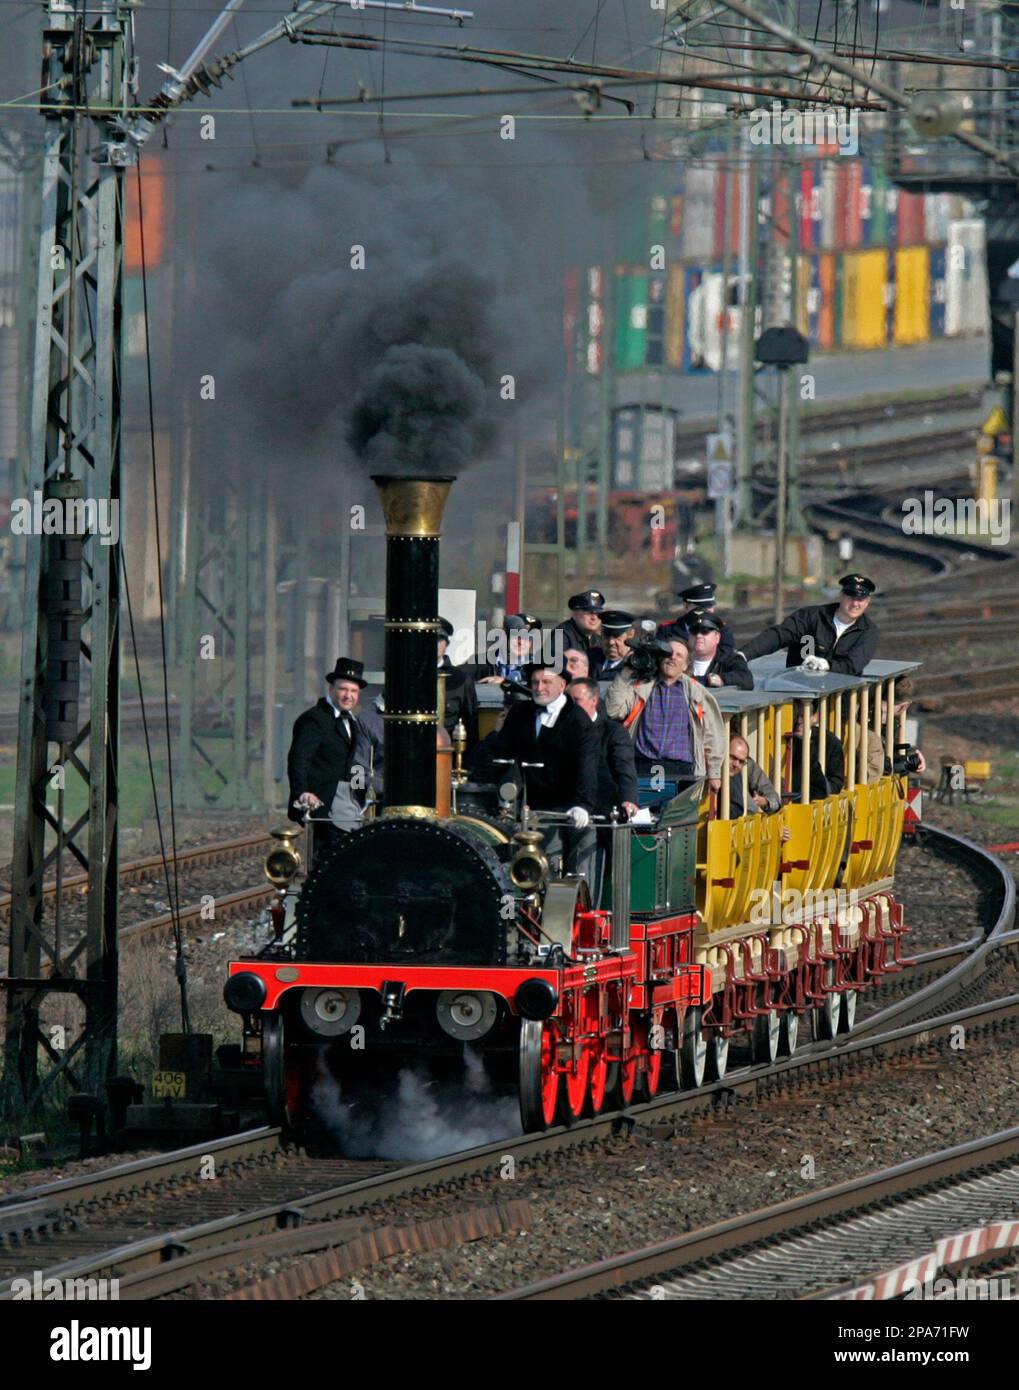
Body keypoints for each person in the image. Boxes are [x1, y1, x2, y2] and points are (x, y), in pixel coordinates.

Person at [486, 662, 598, 878]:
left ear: (562, 685)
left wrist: (582, 805)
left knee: (553, 864)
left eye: (546, 682)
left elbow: (587, 765)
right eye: (535, 682)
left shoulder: (578, 721)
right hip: (530, 802)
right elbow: (503, 752)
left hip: (564, 804)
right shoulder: (520, 712)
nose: (539, 688)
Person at [605, 636, 725, 808]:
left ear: (686, 665)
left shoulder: (697, 693)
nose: (672, 658)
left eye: (679, 655)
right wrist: (625, 671)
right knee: (641, 820)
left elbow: (712, 734)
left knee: (676, 823)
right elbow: (613, 710)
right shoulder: (640, 687)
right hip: (642, 766)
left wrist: (714, 773)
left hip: (681, 769)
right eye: (668, 653)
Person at [287, 657, 384, 842]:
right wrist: (302, 793)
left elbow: (355, 763)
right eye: (343, 689)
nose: (348, 695)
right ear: (331, 689)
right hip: (323, 802)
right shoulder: (314, 719)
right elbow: (299, 760)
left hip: (348, 803)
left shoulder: (352, 722)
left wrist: (361, 792)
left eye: (354, 691)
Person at [740, 574, 878, 675]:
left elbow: (853, 665)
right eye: (851, 597)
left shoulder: (868, 631)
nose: (855, 604)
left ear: (867, 601)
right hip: (799, 691)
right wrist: (744, 654)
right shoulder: (811, 617)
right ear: (841, 595)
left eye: (861, 599)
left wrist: (827, 665)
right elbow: (779, 635)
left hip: (839, 702)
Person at [567, 677, 638, 818]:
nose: (571, 706)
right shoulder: (560, 729)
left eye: (577, 700)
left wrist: (628, 799)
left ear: (594, 701)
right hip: (567, 808)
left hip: (602, 810)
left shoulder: (613, 731)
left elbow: (624, 767)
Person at [438, 617, 479, 750]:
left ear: (447, 644)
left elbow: (471, 724)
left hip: (449, 756)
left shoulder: (460, 679)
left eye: (439, 639)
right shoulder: (408, 675)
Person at [660, 582, 735, 652]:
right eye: (700, 607)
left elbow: (725, 658)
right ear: (686, 606)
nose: (705, 612)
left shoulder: (723, 631)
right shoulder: (667, 631)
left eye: (709, 606)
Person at [789, 706, 845, 800]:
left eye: (803, 716)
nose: (798, 721)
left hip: (816, 801)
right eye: (796, 716)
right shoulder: (785, 739)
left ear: (815, 717)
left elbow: (836, 783)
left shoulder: (830, 742)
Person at [687, 614, 753, 690]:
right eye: (694, 631)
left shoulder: (730, 659)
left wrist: (721, 679)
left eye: (704, 631)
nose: (698, 635)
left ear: (717, 637)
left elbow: (747, 680)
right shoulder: (678, 658)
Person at [474, 613, 542, 685]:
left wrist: (505, 682)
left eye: (528, 638)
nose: (521, 642)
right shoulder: (479, 662)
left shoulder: (537, 666)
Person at [727, 735, 781, 816]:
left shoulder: (748, 766)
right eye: (732, 757)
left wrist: (765, 802)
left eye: (741, 761)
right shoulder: (712, 766)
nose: (736, 764)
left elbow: (776, 802)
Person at [556, 590, 605, 675]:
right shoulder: (560, 637)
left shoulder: (597, 639)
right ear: (575, 613)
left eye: (598, 613)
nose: (594, 617)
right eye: (588, 612)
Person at [596, 610, 637, 690]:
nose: (611, 642)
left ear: (631, 634)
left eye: (617, 636)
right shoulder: (591, 659)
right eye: (606, 636)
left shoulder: (637, 664)